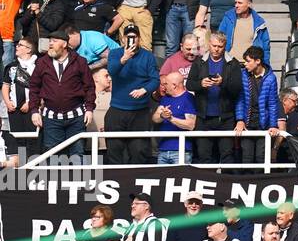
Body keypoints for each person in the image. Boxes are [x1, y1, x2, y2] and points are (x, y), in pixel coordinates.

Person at [26, 28, 95, 157]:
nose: (50, 44)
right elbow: (34, 88)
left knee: (77, 153)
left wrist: (90, 108)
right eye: (50, 41)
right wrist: (34, 111)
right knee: (53, 154)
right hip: (51, 118)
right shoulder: (42, 63)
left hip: (76, 117)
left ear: (64, 44)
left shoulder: (80, 62)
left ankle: (77, 178)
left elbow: (89, 87)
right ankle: (55, 178)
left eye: (54, 41)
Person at [104, 24, 160, 165]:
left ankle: (136, 182)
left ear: (139, 39)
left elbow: (155, 80)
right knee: (114, 150)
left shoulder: (148, 56)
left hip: (140, 111)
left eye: (134, 37)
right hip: (117, 109)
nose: (131, 40)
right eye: (128, 37)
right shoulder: (115, 53)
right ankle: (115, 181)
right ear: (123, 39)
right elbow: (112, 71)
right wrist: (124, 58)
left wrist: (144, 89)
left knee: (139, 151)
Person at [186, 31, 244, 166]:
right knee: (204, 155)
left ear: (225, 46)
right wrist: (200, 84)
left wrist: (223, 83)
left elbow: (237, 88)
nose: (217, 49)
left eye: (220, 46)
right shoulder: (199, 62)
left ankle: (226, 186)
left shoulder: (233, 63)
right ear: (208, 45)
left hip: (225, 118)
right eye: (214, 45)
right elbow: (189, 84)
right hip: (203, 117)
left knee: (227, 156)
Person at [235, 46, 283, 167]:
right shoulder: (242, 75)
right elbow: (240, 100)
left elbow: (272, 103)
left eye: (248, 61)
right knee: (246, 156)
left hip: (263, 124)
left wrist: (272, 125)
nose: (245, 64)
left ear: (258, 61)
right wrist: (240, 120)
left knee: (261, 157)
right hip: (247, 124)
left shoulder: (271, 78)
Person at [153, 69, 197, 164]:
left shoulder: (188, 98)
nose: (164, 87)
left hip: (181, 150)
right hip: (162, 149)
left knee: (180, 178)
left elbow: (191, 125)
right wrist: (162, 115)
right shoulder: (165, 98)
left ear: (174, 85)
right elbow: (155, 118)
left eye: (166, 84)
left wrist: (171, 118)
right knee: (162, 178)